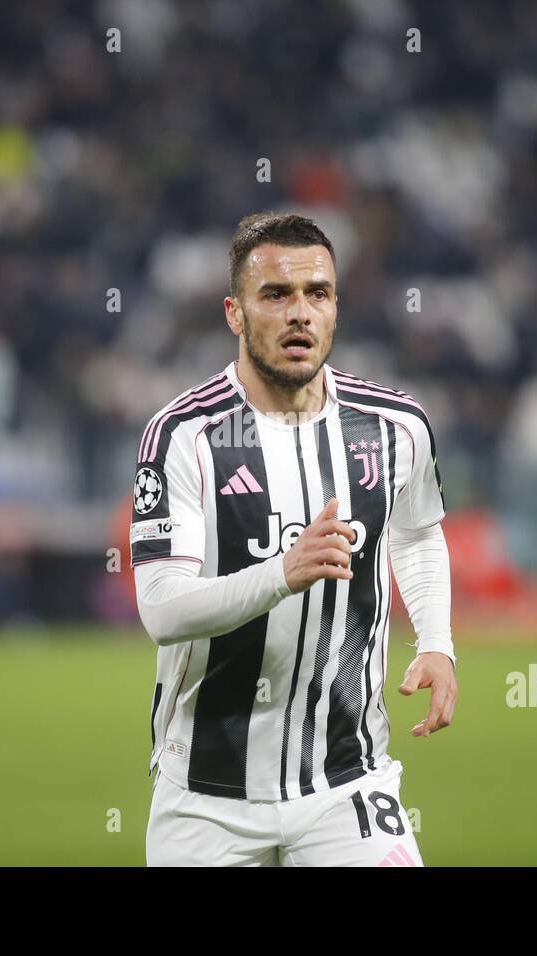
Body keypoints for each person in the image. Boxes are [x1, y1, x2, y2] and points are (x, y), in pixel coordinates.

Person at [133, 212, 457, 866]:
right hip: (206, 793)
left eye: (318, 293)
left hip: (348, 779)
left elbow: (418, 532)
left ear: (337, 306)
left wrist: (438, 641)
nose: (299, 313)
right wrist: (284, 571)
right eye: (276, 295)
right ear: (235, 312)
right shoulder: (184, 436)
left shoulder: (396, 427)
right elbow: (162, 610)